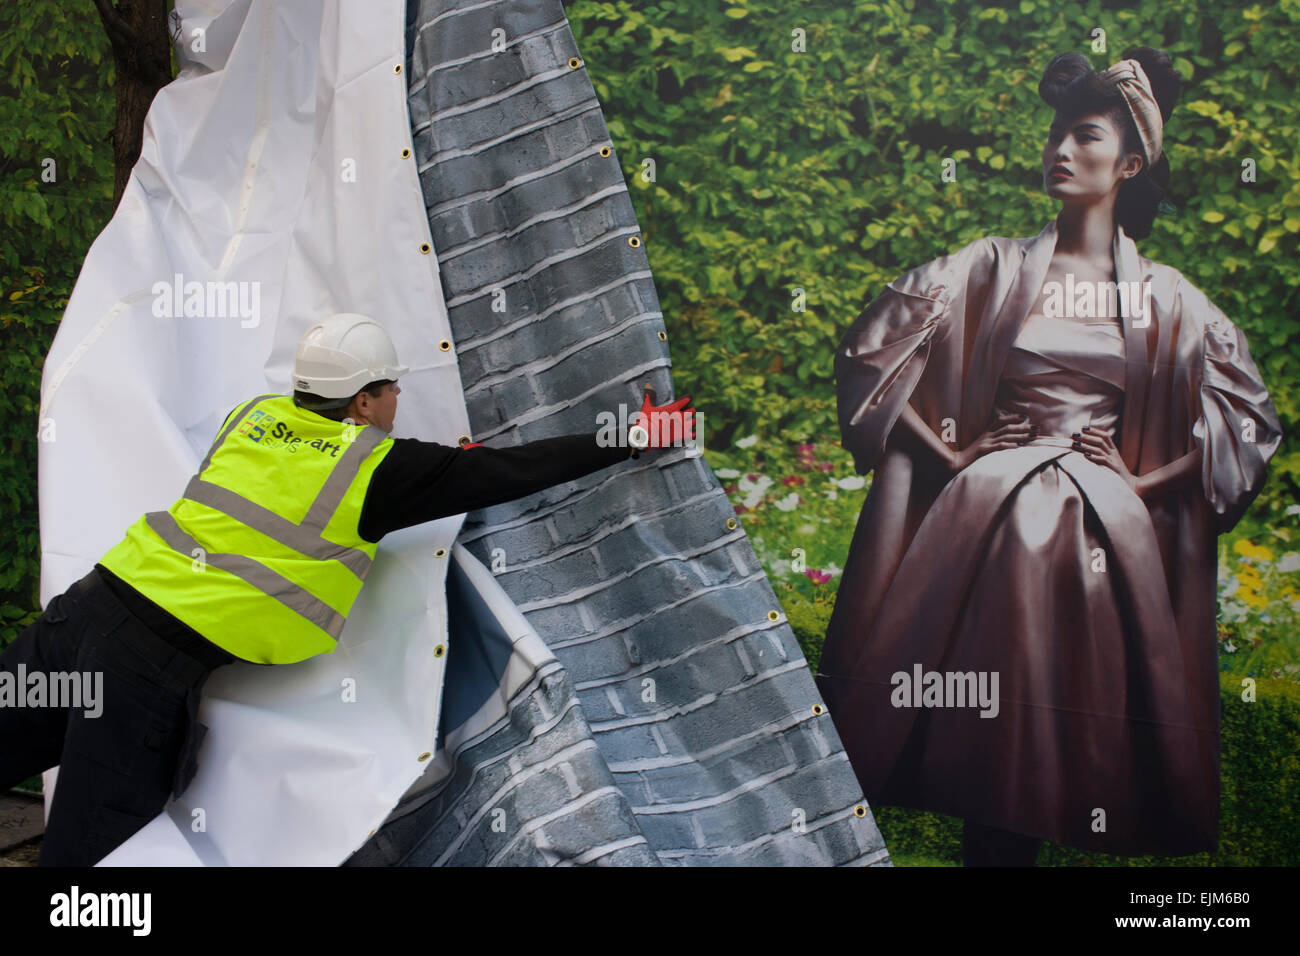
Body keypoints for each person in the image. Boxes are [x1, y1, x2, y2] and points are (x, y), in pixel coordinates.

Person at [0, 312, 695, 866]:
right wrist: (631, 436)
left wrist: (446, 469)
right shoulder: (374, 469)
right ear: (364, 401)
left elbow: (292, 486)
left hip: (86, 614)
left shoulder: (254, 418)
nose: (399, 399)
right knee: (91, 870)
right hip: (140, 673)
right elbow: (515, 471)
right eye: (392, 388)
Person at [814, 48, 1282, 866]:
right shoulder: (986, 266)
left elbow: (1249, 424)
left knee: (1059, 754)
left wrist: (1146, 478)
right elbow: (868, 357)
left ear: (1130, 163)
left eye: (1086, 137)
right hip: (982, 532)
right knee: (986, 748)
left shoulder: (1166, 297)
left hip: (1105, 540)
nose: (1061, 151)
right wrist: (951, 452)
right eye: (1057, 134)